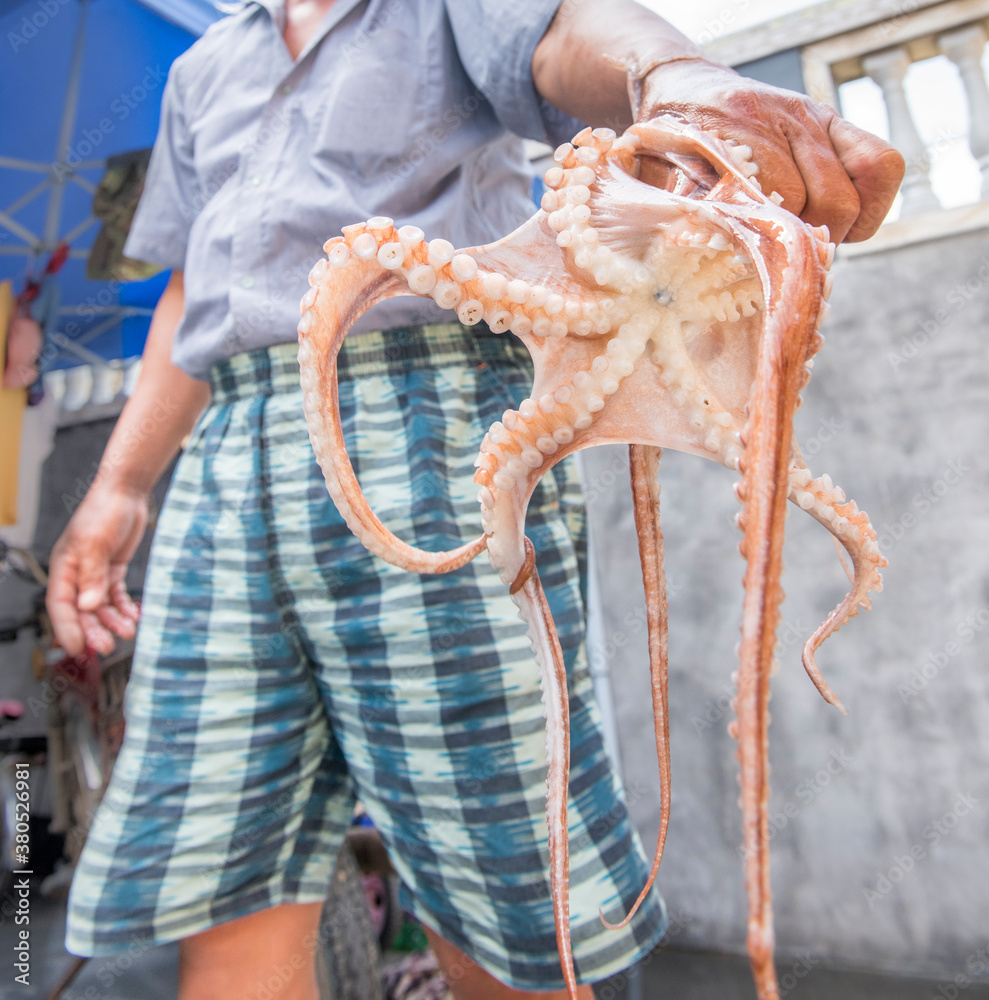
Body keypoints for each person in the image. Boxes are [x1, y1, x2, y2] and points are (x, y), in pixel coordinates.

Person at [47, 1, 904, 998]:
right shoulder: (200, 70)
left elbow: (559, 36)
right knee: (217, 866)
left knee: (507, 879)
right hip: (229, 450)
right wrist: (118, 487)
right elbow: (193, 283)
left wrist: (667, 74)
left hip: (435, 418)